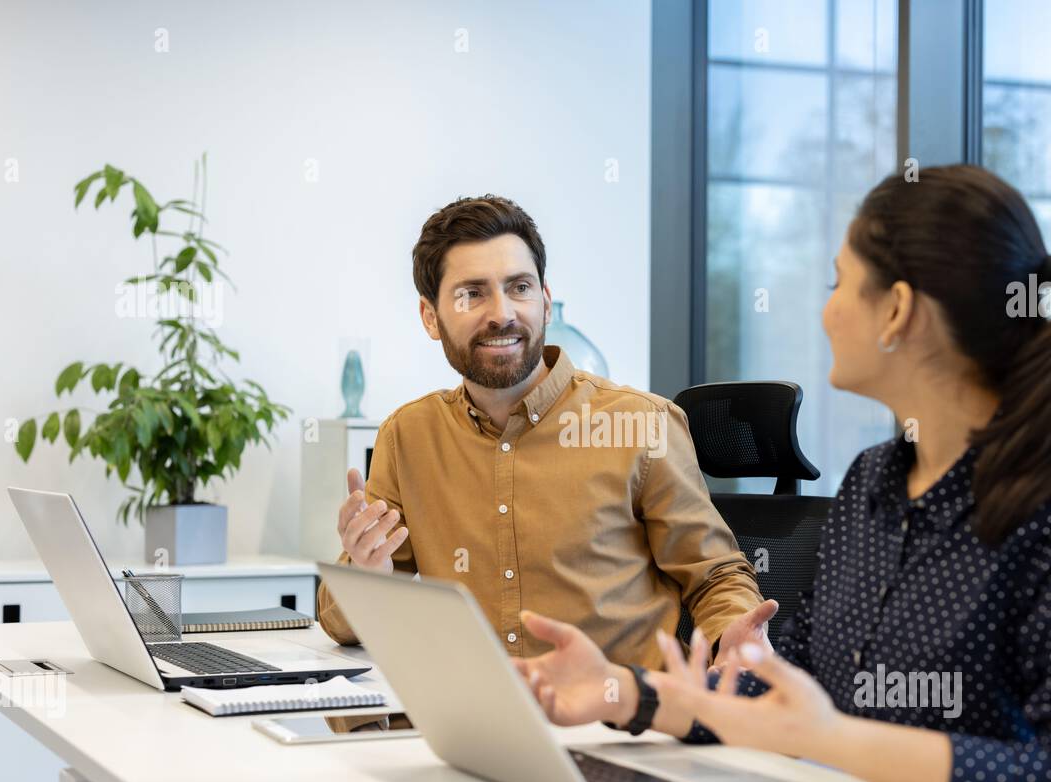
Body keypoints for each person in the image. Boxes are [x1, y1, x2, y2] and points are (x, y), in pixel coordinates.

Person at [515, 165, 1051, 782]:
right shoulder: (874, 483)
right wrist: (623, 692)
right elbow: (794, 691)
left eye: (839, 282)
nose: (826, 309)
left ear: (897, 309)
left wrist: (833, 738)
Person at [316, 194, 775, 669]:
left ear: (546, 301)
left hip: (621, 722)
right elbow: (337, 626)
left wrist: (735, 641)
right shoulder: (407, 437)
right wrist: (368, 576)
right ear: (430, 317)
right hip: (476, 719)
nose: (502, 312)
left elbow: (715, 575)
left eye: (519, 287)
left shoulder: (640, 425)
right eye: (472, 293)